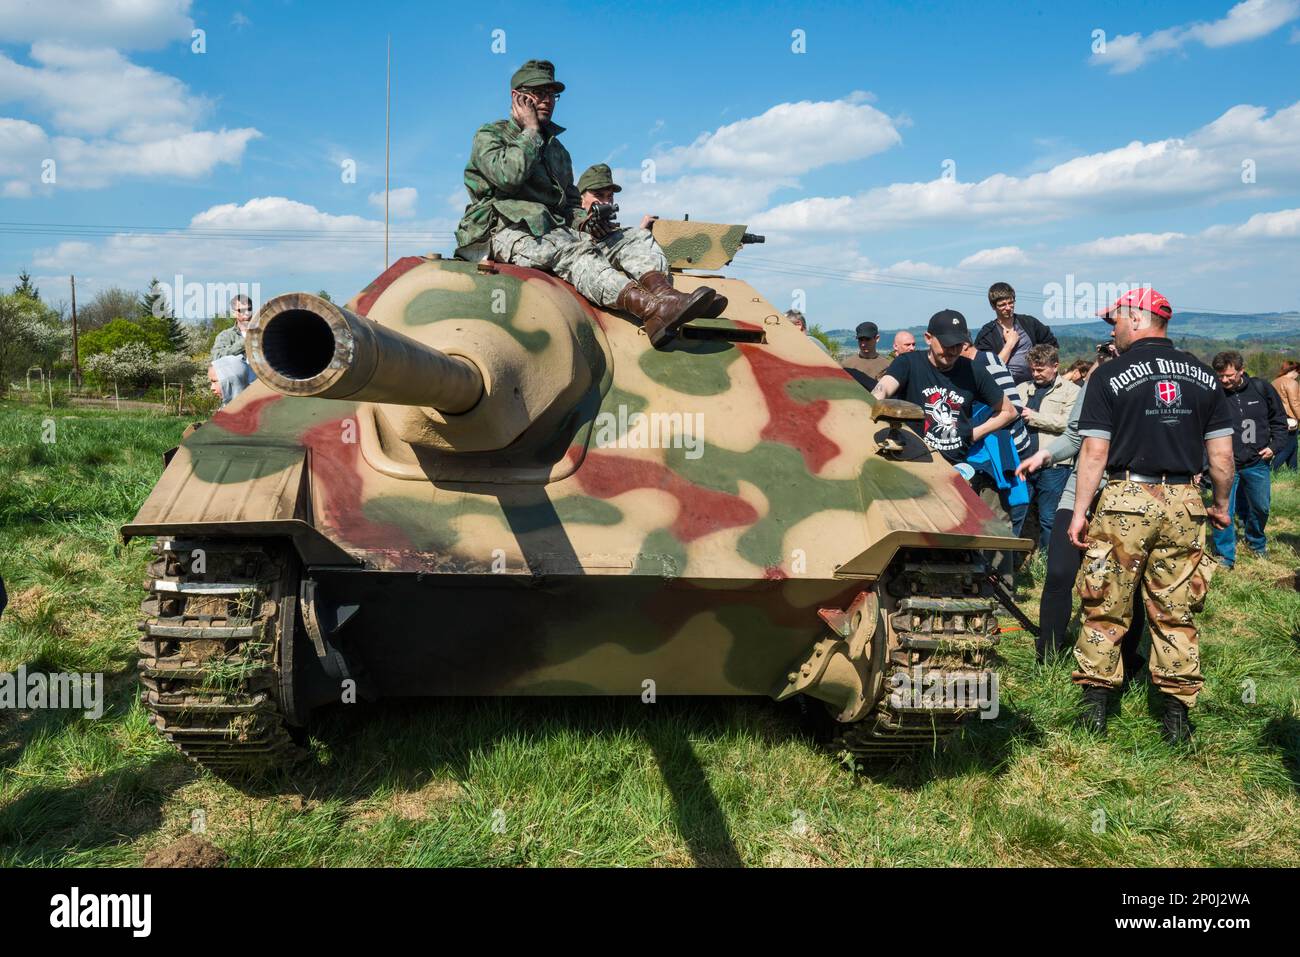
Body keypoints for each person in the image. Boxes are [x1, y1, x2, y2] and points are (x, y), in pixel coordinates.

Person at [454, 60, 722, 348]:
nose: (546, 100)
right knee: (574, 251)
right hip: (504, 229)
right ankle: (651, 309)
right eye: (538, 93)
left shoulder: (558, 152)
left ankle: (666, 297)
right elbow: (508, 176)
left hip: (553, 228)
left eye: (552, 94)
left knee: (634, 237)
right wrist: (530, 131)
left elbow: (568, 203)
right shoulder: (491, 135)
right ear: (517, 97)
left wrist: (586, 220)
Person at [1069, 287, 1233, 746]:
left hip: (1126, 496)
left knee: (1106, 603)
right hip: (1185, 498)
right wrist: (1219, 504)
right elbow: (1221, 456)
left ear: (1138, 320)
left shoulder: (1109, 374)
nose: (1113, 329)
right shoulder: (1204, 375)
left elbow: (1095, 451)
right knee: (1175, 608)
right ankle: (1176, 717)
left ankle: (1095, 709)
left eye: (1116, 320)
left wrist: (1080, 511)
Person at [1017, 346, 1144, 666]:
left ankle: (1124, 660)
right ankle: (1048, 655)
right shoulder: (1096, 383)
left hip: (1125, 492)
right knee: (1059, 571)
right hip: (1078, 488)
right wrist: (1045, 455)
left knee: (1122, 581)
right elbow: (1074, 435)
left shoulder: (1146, 386)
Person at [872, 309, 1016, 465]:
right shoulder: (908, 363)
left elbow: (1009, 411)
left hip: (953, 466)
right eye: (947, 344)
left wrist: (972, 435)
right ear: (928, 338)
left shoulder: (974, 370)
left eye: (958, 345)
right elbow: (884, 387)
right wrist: (874, 401)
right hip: (912, 459)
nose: (953, 351)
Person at [1208, 351, 1287, 568]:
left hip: (1257, 463)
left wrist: (1274, 447)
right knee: (1223, 509)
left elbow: (1279, 421)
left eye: (1229, 375)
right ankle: (1225, 555)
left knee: (1261, 507)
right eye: (1220, 376)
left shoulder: (1261, 389)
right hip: (1225, 465)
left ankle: (1256, 542)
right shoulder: (1213, 394)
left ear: (1241, 371)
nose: (1224, 380)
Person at [1019, 344, 1080, 551]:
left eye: (1040, 369)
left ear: (1055, 366)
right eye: (1032, 369)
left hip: (1054, 466)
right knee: (1017, 513)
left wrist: (1034, 417)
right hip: (1023, 464)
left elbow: (1070, 424)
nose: (1035, 374)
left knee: (1049, 519)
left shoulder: (1072, 391)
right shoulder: (1022, 389)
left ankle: (1047, 563)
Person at [973, 281, 1058, 386]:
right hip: (1004, 388)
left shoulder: (1029, 323)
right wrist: (1009, 345)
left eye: (1011, 302)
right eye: (1002, 305)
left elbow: (1052, 346)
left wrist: (1039, 362)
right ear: (993, 306)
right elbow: (988, 370)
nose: (1008, 308)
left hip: (1036, 384)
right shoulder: (987, 335)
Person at [209, 294, 257, 405]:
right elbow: (217, 358)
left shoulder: (264, 333)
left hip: (261, 387)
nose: (246, 313)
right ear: (234, 313)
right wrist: (245, 342)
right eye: (241, 310)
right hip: (235, 393)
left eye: (249, 309)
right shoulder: (225, 336)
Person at [840, 321, 890, 390]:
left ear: (877, 338)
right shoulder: (847, 365)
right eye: (860, 340)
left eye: (867, 339)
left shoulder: (887, 366)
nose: (863, 344)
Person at [1270, 359, 1300, 472]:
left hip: (1277, 417)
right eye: (1298, 373)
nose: (1298, 376)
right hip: (1290, 418)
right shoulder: (1292, 383)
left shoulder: (1274, 382)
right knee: (1288, 447)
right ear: (1294, 371)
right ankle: (1272, 469)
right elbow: (1295, 403)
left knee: (1294, 446)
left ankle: (1293, 471)